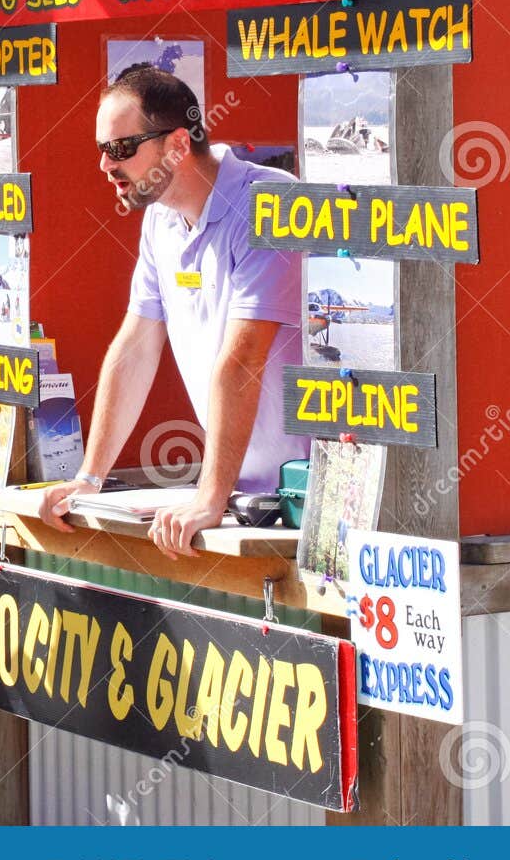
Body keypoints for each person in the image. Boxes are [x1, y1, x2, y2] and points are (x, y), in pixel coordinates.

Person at [38, 64, 309, 558]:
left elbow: (243, 359)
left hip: (308, 494)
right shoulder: (161, 219)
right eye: (102, 148)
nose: (105, 164)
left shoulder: (269, 201)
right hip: (244, 497)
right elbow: (135, 346)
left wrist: (209, 495)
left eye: (122, 148)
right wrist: (89, 478)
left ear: (179, 145)